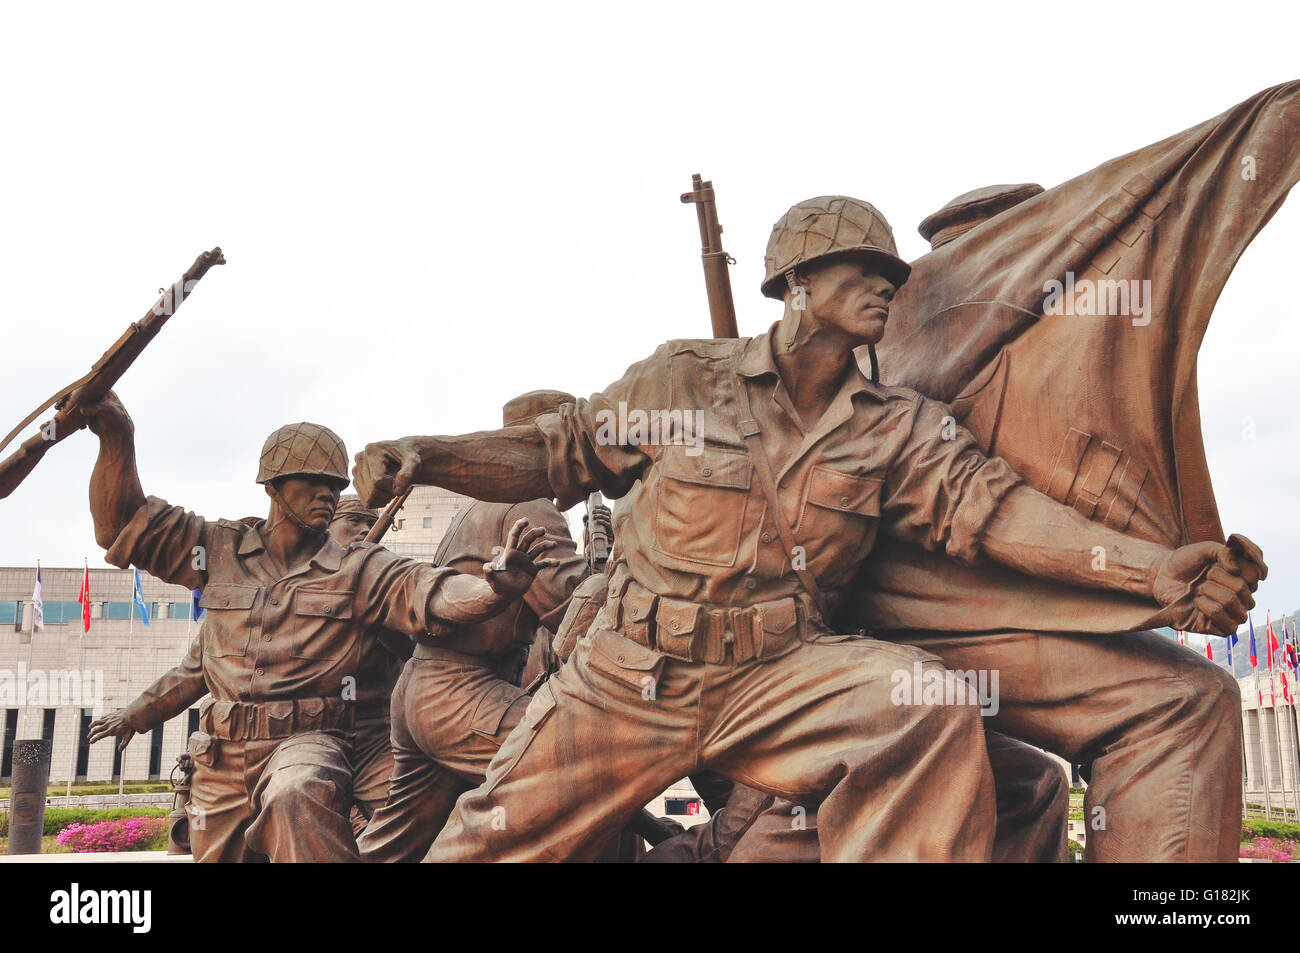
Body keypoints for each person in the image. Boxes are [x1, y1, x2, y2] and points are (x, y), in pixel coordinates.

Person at [354, 194, 1261, 862]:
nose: (884, 287)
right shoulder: (685, 379)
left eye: (892, 276)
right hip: (633, 676)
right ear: (795, 282)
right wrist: (423, 452)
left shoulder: (892, 424)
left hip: (781, 671)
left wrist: (1155, 572)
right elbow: (554, 455)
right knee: (488, 843)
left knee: (925, 703)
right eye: (862, 271)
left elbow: (991, 512)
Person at [82, 398, 553, 861]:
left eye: (334, 485)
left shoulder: (358, 568)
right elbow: (121, 525)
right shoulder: (215, 549)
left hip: (309, 742)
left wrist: (493, 590)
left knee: (297, 789)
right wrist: (116, 435)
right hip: (220, 760)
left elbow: (429, 592)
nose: (327, 495)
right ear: (274, 487)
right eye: (313, 484)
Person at [357, 391, 592, 862]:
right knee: (584, 772)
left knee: (397, 841)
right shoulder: (529, 503)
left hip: (422, 691)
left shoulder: (475, 506)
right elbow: (568, 608)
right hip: (463, 693)